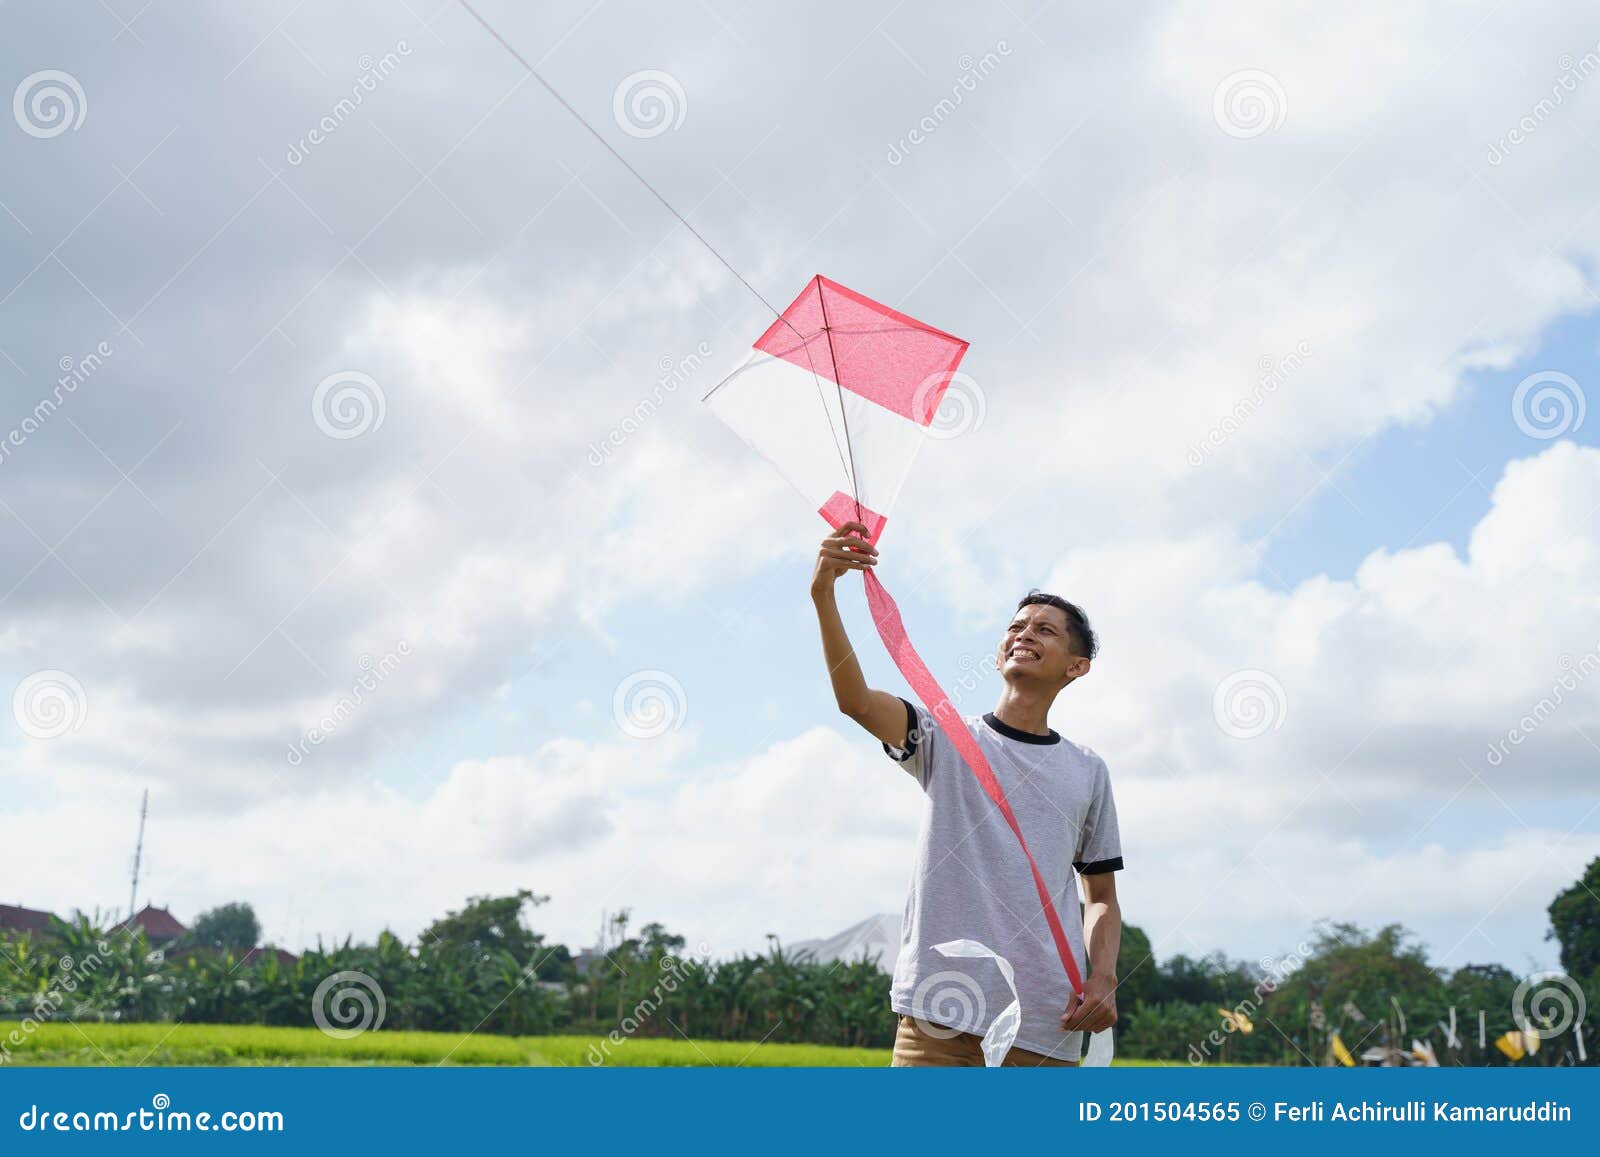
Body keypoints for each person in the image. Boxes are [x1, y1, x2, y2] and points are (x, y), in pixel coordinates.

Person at [811, 521, 1123, 1067]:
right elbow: (856, 701)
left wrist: (1103, 977)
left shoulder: (1087, 771)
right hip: (938, 1013)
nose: (1026, 634)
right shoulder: (942, 739)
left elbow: (1099, 896)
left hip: (1048, 1021)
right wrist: (824, 596)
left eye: (1046, 630)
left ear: (1077, 667)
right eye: (1018, 626)